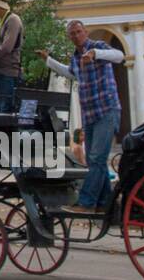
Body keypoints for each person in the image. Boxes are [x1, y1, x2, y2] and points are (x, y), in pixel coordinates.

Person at [37, 19, 124, 215]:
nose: (76, 36)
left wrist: (95, 54)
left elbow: (119, 56)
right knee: (95, 161)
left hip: (106, 110)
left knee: (96, 158)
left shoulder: (97, 47)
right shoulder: (75, 57)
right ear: (70, 38)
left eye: (79, 32)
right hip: (90, 114)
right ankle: (105, 204)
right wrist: (48, 60)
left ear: (85, 32)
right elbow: (70, 73)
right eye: (72, 34)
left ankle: (86, 202)